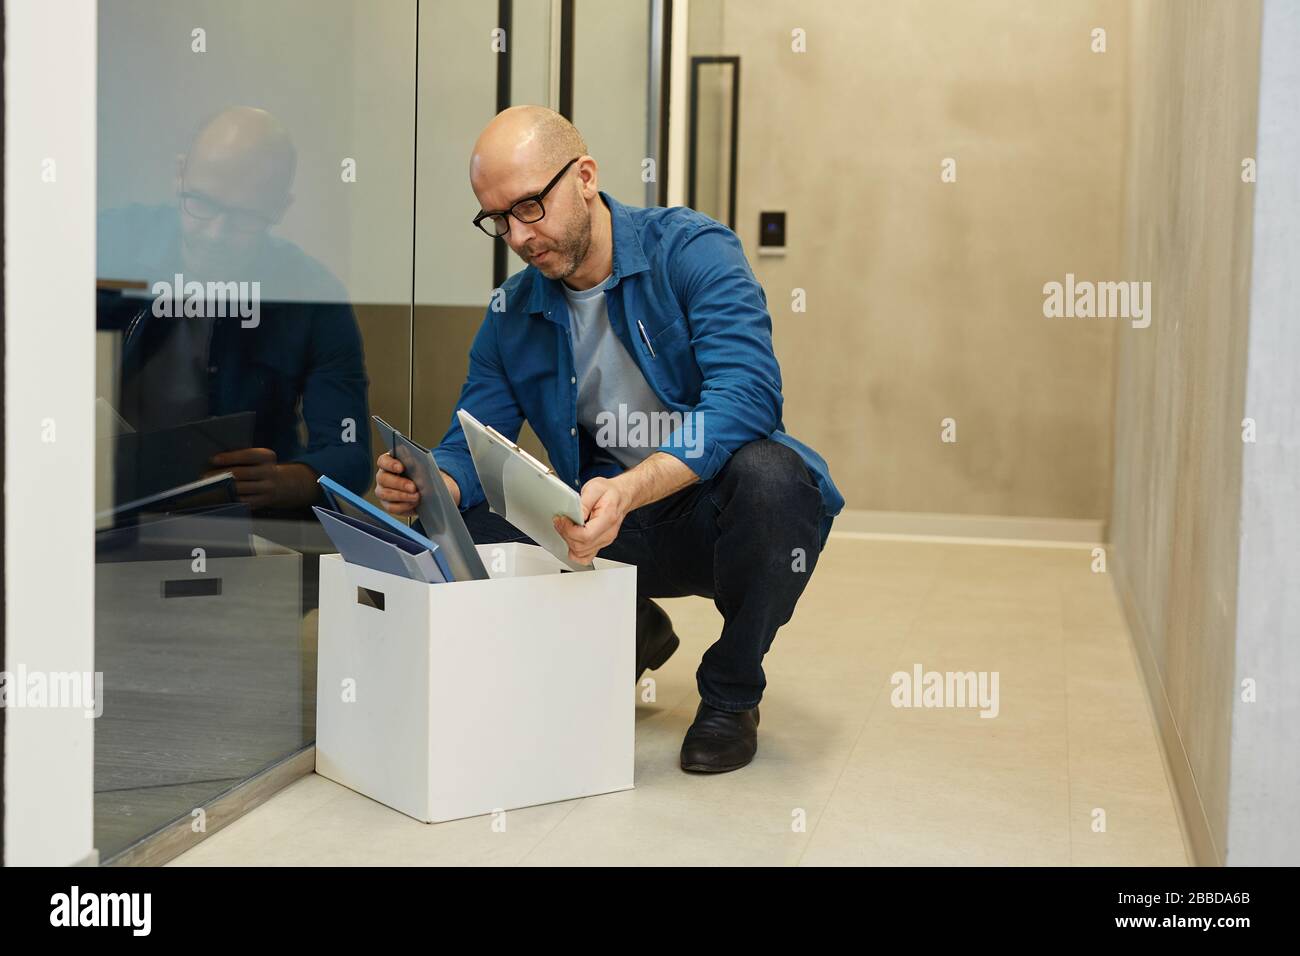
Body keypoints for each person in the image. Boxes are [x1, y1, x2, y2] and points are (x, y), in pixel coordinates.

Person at [376, 106, 843, 773]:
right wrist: (432, 482)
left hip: (704, 514)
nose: (518, 234)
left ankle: (732, 694)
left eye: (530, 206)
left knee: (775, 479)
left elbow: (748, 395)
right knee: (460, 522)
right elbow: (471, 442)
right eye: (498, 219)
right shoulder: (514, 310)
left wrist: (633, 486)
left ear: (585, 176)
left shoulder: (691, 251)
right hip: (597, 523)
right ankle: (630, 624)